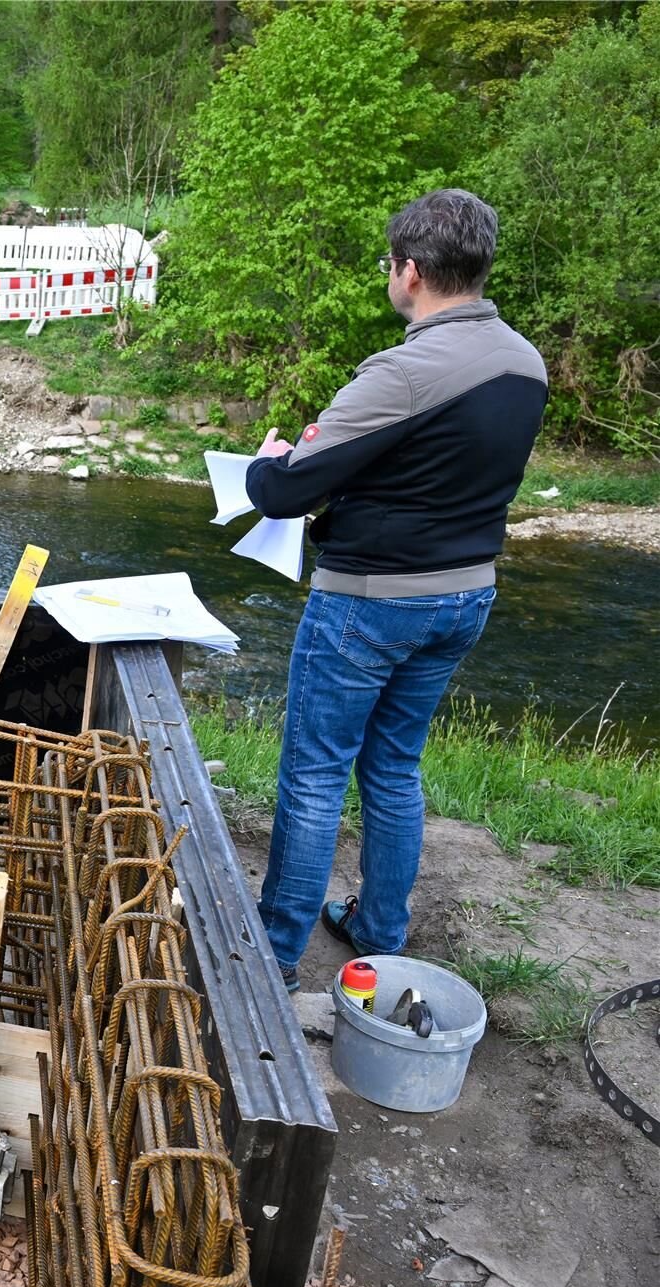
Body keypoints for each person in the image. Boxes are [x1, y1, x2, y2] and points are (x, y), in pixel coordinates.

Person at [245, 189, 547, 991]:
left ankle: (274, 952)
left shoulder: (405, 371)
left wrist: (269, 460)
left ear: (411, 272)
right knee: (393, 766)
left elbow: (281, 493)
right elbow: (437, 468)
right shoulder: (525, 362)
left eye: (390, 265)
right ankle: (379, 928)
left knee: (314, 773)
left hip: (370, 601)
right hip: (465, 596)